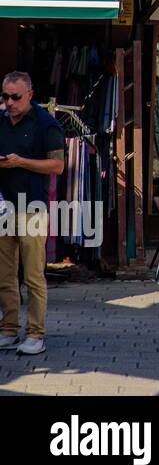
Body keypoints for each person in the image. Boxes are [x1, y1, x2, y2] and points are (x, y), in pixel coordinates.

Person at [0, 71, 65, 356]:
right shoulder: (1, 121)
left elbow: (58, 166)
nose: (9, 102)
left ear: (29, 95)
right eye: (5, 96)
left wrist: (21, 162)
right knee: (5, 274)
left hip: (33, 208)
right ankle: (8, 328)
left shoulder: (45, 124)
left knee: (34, 275)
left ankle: (36, 333)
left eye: (15, 97)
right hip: (4, 207)